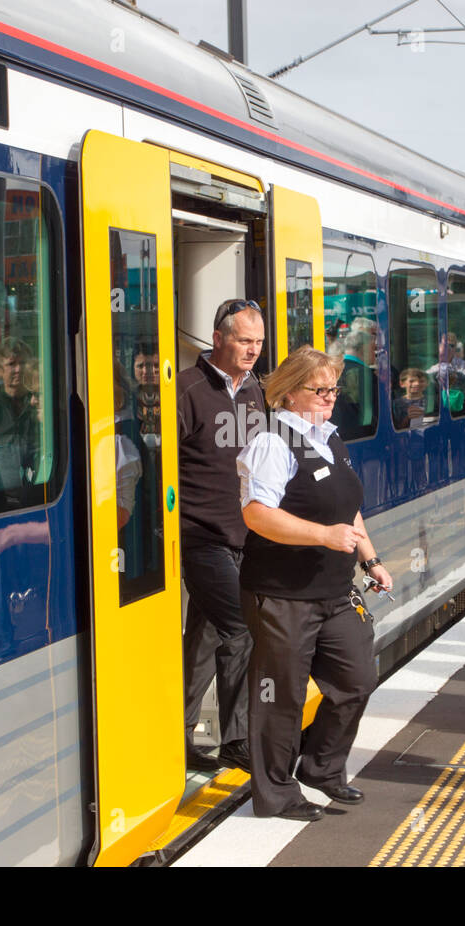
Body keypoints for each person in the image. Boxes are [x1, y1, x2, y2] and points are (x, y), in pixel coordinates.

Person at [238, 346, 392, 821]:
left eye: (333, 389)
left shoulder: (330, 438)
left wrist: (371, 559)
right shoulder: (271, 442)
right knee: (280, 696)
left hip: (334, 590)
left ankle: (322, 767)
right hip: (283, 594)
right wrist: (322, 536)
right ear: (287, 393)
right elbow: (257, 514)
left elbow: (346, 509)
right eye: (319, 389)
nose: (330, 398)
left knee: (357, 680)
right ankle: (276, 794)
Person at [177, 299, 266, 774]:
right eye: (243, 340)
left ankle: (178, 731)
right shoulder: (187, 389)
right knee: (242, 629)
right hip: (201, 535)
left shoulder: (257, 391)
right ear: (218, 338)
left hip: (246, 536)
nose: (253, 350)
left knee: (206, 635)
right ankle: (235, 739)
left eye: (258, 342)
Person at [0, 338, 39, 511]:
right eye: (11, 364)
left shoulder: (39, 400)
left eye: (23, 363)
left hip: (39, 497)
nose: (18, 369)